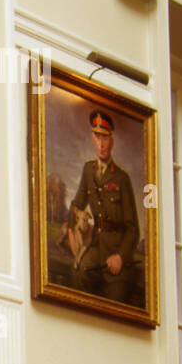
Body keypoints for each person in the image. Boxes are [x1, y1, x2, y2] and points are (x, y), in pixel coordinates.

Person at [67, 108, 140, 304]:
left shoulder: (122, 179)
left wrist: (121, 257)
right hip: (95, 250)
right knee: (77, 279)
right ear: (92, 138)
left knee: (114, 305)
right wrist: (71, 232)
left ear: (112, 141)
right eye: (97, 137)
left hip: (117, 259)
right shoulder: (88, 170)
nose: (101, 144)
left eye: (105, 138)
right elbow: (77, 204)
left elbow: (133, 230)